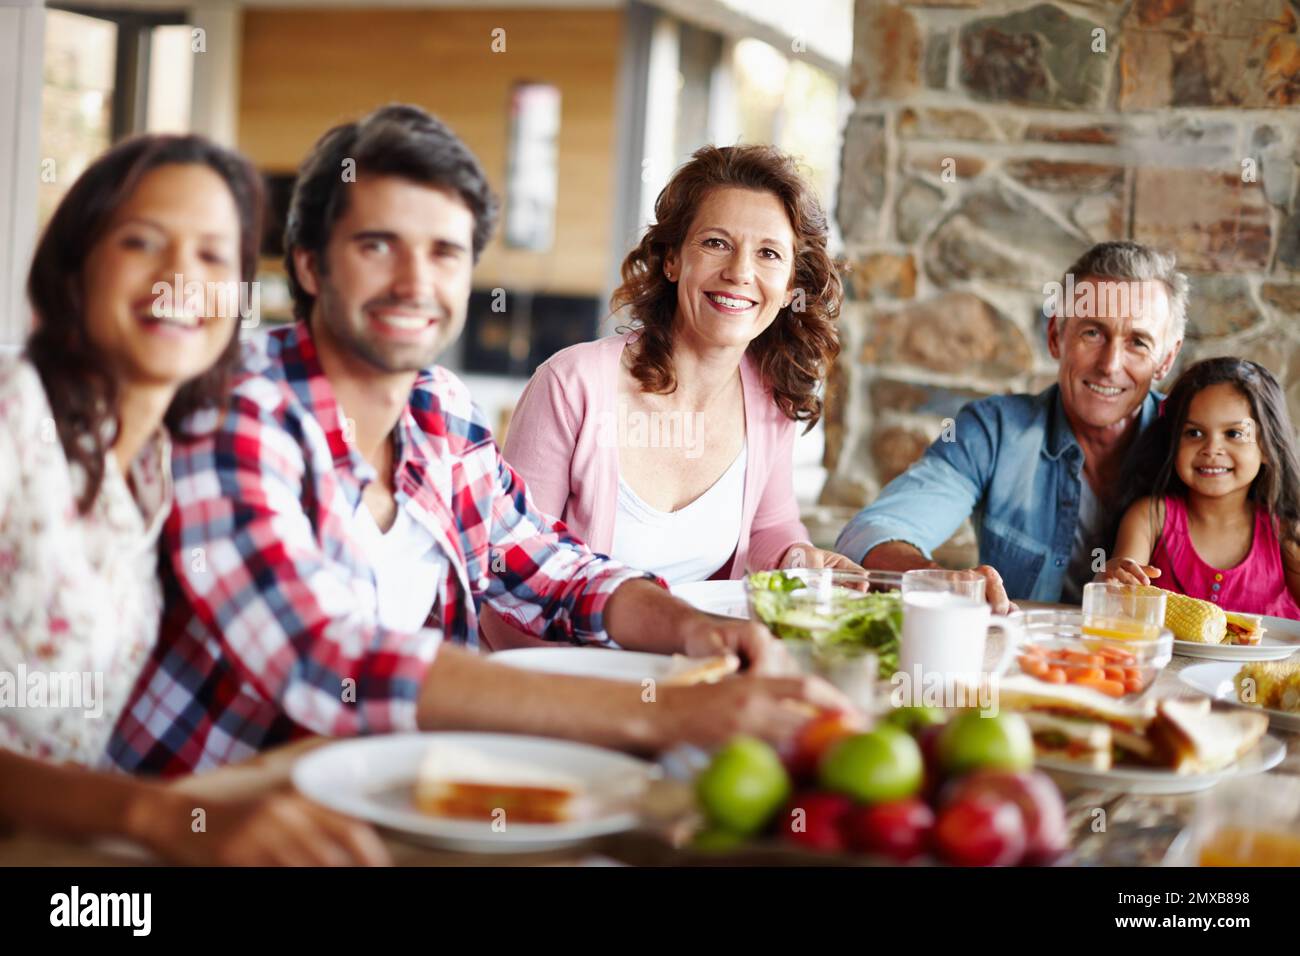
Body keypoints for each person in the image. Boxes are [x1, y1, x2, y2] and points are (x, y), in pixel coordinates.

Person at [109, 106, 847, 777]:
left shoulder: (439, 410)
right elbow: (317, 657)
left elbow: (554, 569)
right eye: (378, 246)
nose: (414, 281)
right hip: (212, 810)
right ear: (309, 263)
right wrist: (660, 713)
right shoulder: (236, 406)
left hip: (400, 791)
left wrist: (695, 632)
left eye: (444, 253)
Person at [0, 133, 388, 865]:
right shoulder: (12, 410)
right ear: (76, 266)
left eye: (213, 256)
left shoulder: (158, 467)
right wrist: (157, 816)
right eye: (143, 242)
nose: (181, 278)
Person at [500, 144, 857, 590]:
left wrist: (799, 558)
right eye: (716, 243)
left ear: (790, 287)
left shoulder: (771, 399)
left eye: (769, 254)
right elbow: (509, 573)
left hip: (693, 655)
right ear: (672, 260)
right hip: (561, 658)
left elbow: (771, 528)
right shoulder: (571, 385)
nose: (740, 272)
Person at [836, 241, 1188, 610]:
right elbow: (870, 534)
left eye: (1138, 342)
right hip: (1016, 659)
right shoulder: (993, 431)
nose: (1110, 365)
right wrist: (936, 581)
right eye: (1092, 333)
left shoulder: (1195, 445)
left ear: (1166, 360)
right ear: (1056, 337)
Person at [1099, 357, 1300, 617]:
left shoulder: (1285, 532)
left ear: (1267, 448)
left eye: (1234, 434)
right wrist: (1114, 583)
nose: (1211, 449)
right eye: (1194, 433)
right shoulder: (1151, 518)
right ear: (1173, 442)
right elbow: (1118, 606)